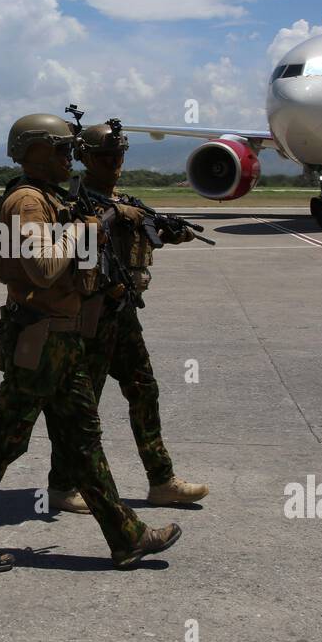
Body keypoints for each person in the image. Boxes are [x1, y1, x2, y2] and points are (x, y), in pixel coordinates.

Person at [0, 113, 182, 572]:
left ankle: (127, 537)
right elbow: (45, 268)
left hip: (63, 339)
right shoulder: (27, 203)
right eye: (60, 149)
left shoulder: (53, 200)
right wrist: (85, 227)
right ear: (31, 150)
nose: (69, 157)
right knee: (4, 442)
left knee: (83, 442)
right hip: (39, 341)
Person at [45, 121, 210, 514]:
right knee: (85, 405)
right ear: (85, 158)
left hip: (123, 313)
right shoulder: (75, 202)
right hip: (91, 315)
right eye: (106, 156)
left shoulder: (127, 201)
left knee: (144, 390)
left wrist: (169, 230)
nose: (115, 163)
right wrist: (119, 216)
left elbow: (138, 233)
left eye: (120, 155)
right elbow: (78, 247)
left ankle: (161, 480)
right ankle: (63, 484)